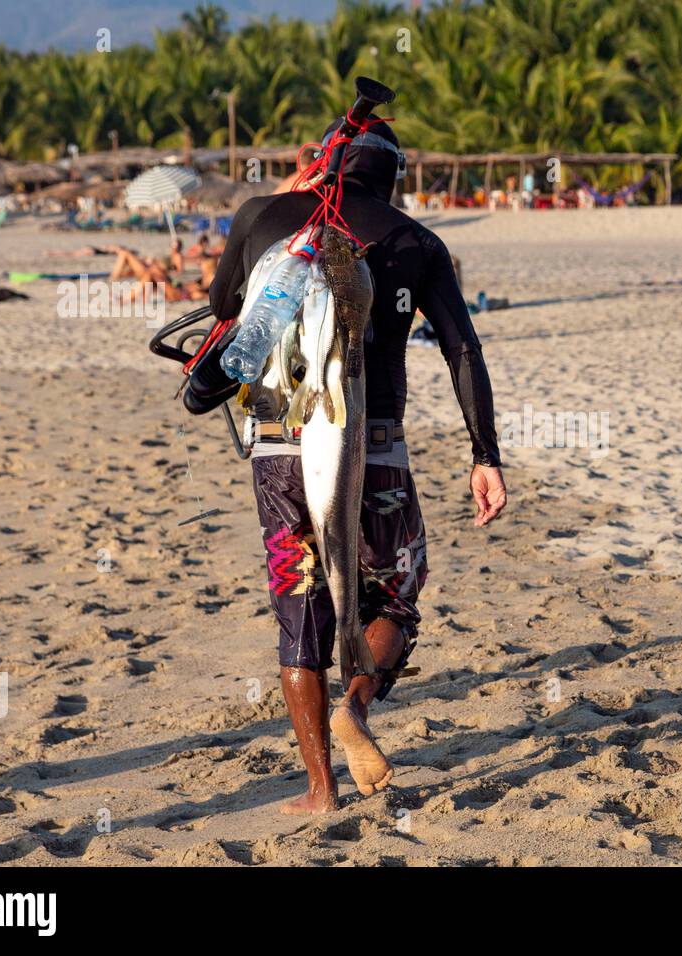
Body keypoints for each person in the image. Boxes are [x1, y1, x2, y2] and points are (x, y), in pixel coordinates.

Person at [209, 115, 507, 813]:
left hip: (280, 447)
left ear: (326, 162)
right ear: (392, 175)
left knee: (297, 606)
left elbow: (223, 307)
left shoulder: (263, 215)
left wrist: (275, 212)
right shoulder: (417, 241)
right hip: (373, 451)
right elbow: (463, 350)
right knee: (397, 591)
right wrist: (484, 455)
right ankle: (356, 706)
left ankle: (320, 787)